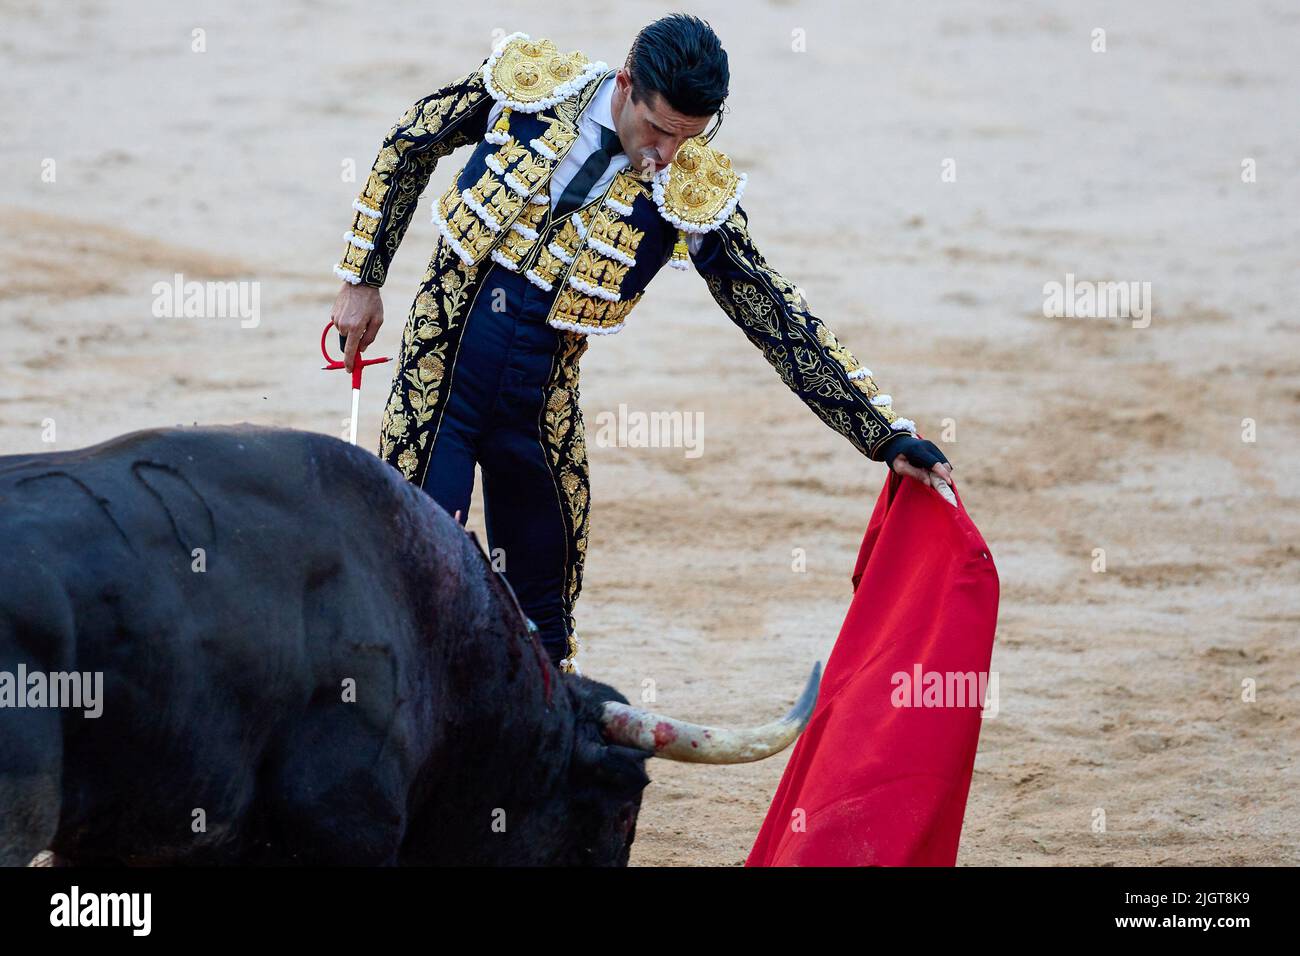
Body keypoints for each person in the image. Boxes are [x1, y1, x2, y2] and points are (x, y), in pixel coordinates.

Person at [329, 15, 953, 673]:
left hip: (536, 417)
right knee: (417, 589)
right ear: (625, 84)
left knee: (544, 635)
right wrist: (362, 280)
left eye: (689, 137)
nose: (666, 154)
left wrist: (885, 436)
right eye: (657, 129)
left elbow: (774, 314)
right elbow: (411, 140)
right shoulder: (532, 89)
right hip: (437, 394)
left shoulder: (689, 191)